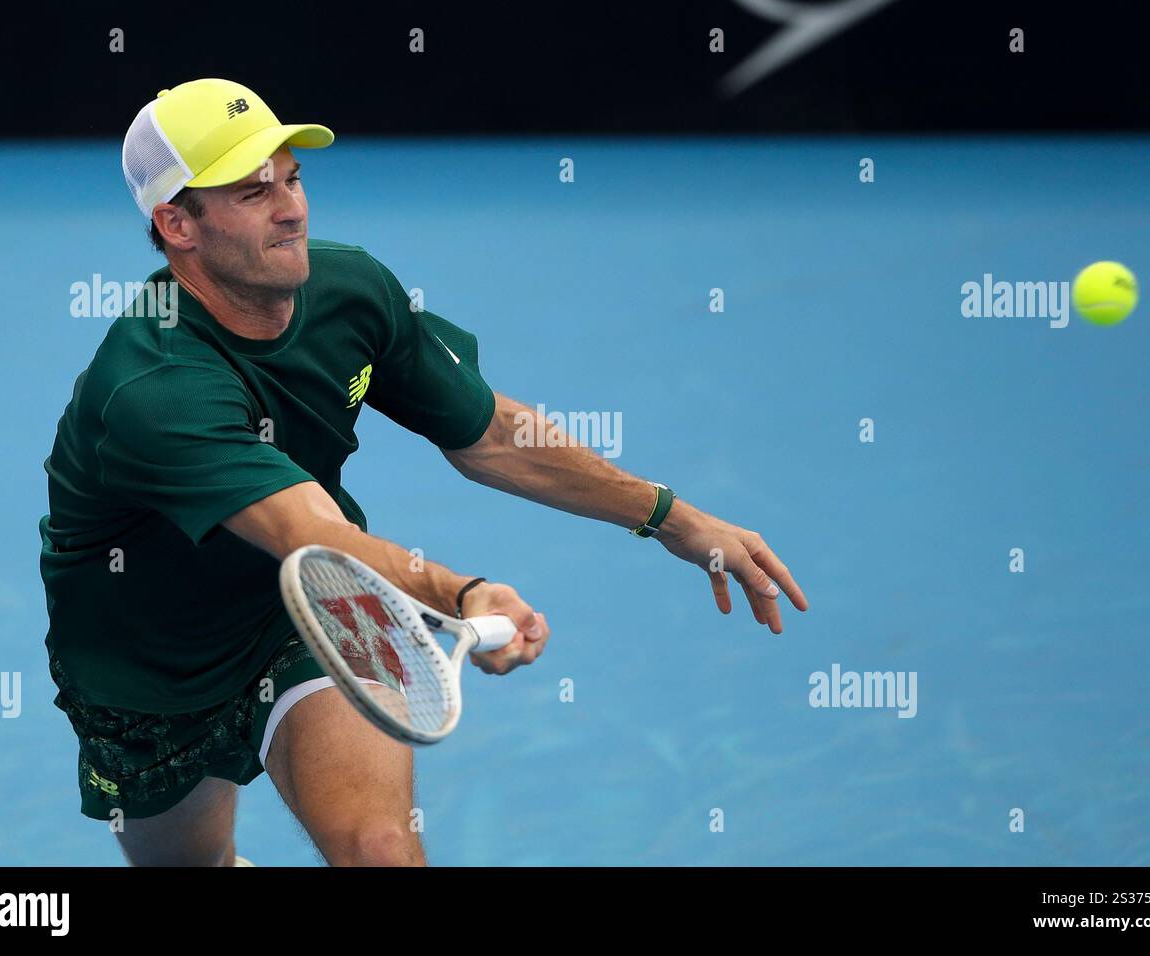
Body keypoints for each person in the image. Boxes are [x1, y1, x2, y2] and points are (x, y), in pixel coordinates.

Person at [39, 78, 808, 867]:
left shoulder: (350, 290)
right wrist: (462, 595)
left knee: (381, 850)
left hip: (310, 611)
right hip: (146, 667)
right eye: (251, 191)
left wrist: (673, 518)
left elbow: (491, 435)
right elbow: (309, 531)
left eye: (292, 177)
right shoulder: (154, 388)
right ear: (177, 224)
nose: (292, 208)